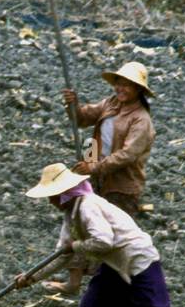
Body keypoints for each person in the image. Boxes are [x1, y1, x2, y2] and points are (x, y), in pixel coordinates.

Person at [15, 163, 182, 307]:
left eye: (52, 196)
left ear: (64, 194)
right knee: (93, 306)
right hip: (115, 264)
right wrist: (31, 277)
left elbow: (104, 241)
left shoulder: (87, 206)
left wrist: (75, 246)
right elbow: (61, 255)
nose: (50, 202)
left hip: (139, 260)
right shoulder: (71, 214)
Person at [47, 61, 157, 294]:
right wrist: (72, 105)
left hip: (121, 185)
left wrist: (94, 167)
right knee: (80, 227)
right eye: (119, 83)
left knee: (109, 237)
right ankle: (74, 282)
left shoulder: (141, 120)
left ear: (138, 90)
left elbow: (128, 155)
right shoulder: (111, 104)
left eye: (127, 85)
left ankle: (106, 288)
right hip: (96, 177)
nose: (121, 88)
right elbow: (82, 118)